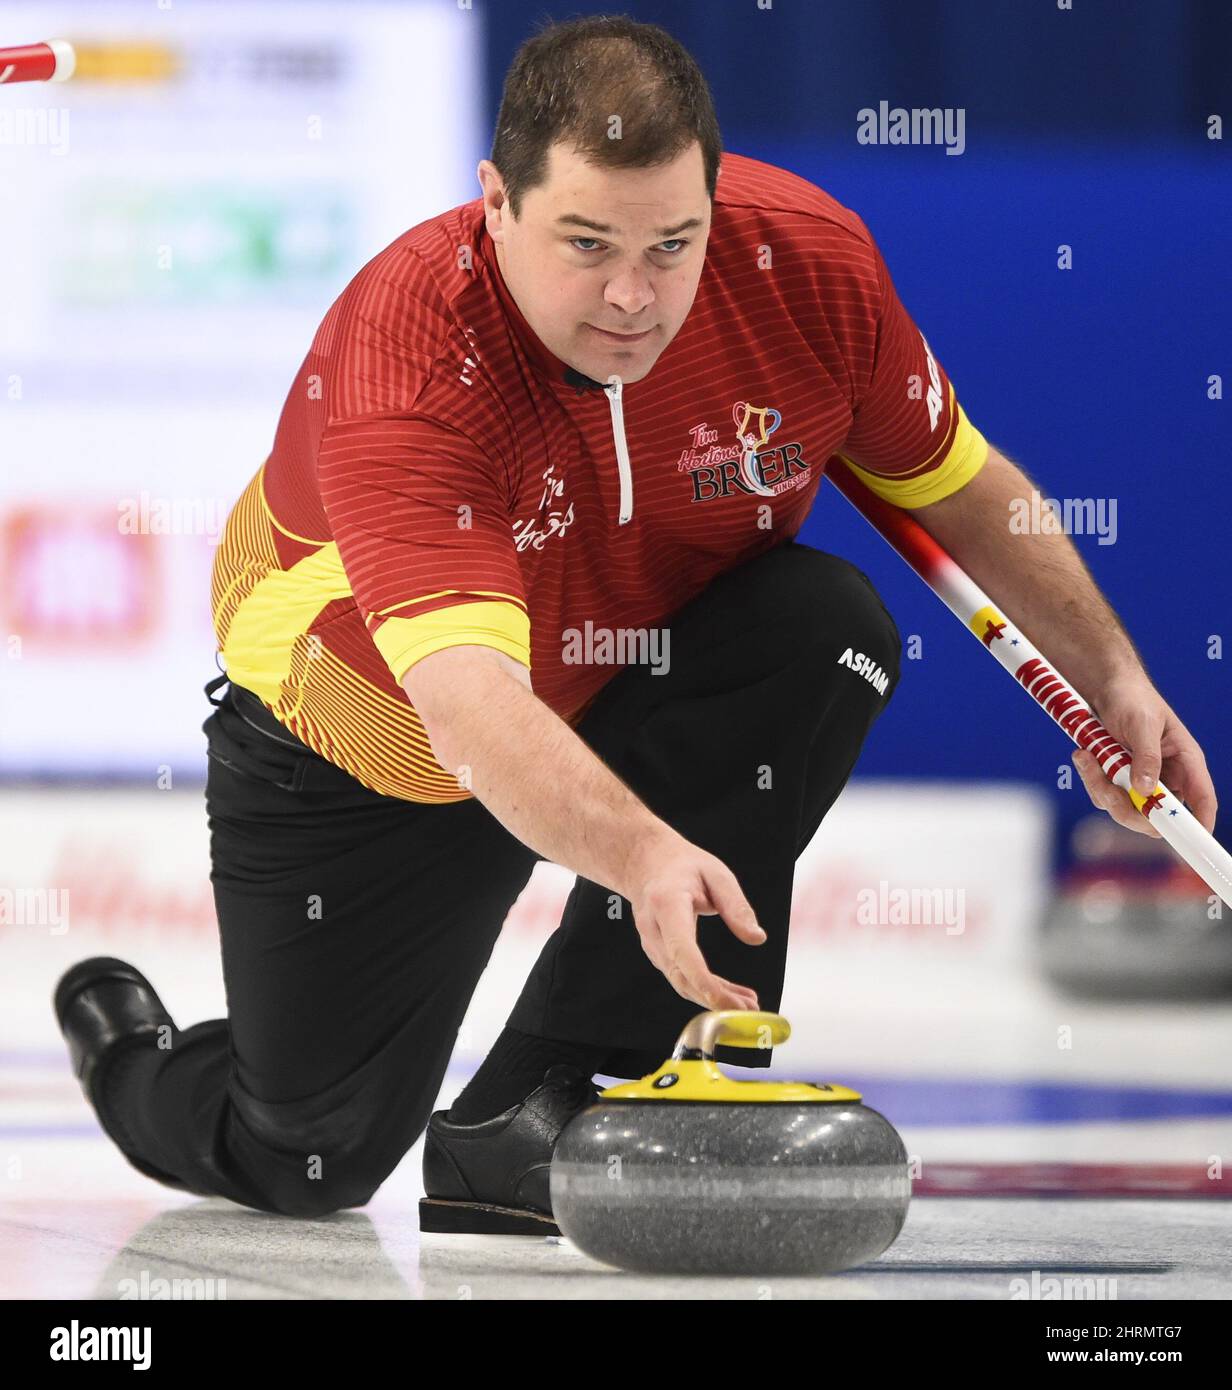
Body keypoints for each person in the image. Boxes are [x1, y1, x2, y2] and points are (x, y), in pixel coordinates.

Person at [55, 15, 1216, 1230]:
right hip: (381, 742)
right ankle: (133, 1063)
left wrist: (1116, 685)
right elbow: (468, 712)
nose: (632, 294)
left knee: (827, 626)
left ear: (717, 199)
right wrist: (642, 853)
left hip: (620, 680)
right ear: (493, 201)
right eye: (586, 242)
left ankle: (569, 1094)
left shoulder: (804, 266)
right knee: (308, 1157)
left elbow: (964, 491)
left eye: (673, 241)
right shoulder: (406, 361)